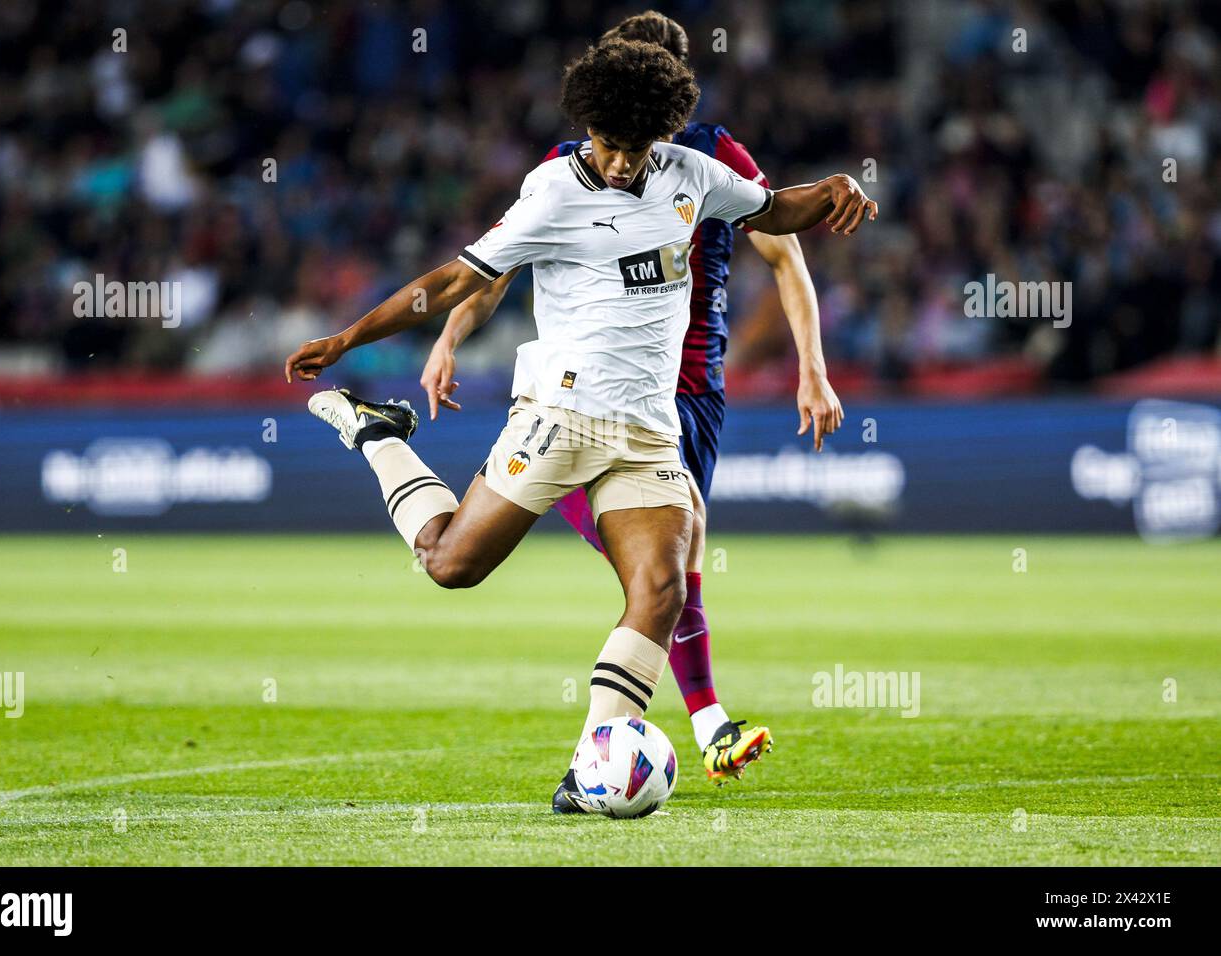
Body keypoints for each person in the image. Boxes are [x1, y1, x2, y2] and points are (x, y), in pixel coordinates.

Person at [284, 38, 877, 813]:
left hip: (647, 432)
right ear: (588, 126)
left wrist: (831, 188)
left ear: (662, 131)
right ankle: (377, 433)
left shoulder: (692, 174)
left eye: (638, 147)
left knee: (661, 587)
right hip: (558, 418)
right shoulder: (551, 192)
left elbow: (775, 213)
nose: (625, 162)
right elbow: (452, 280)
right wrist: (347, 340)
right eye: (611, 144)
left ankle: (594, 762)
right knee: (449, 565)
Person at [418, 11, 844, 783]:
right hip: (585, 391)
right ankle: (693, 723)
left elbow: (785, 253)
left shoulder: (712, 156)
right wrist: (449, 334)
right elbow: (493, 267)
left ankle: (646, 738)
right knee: (662, 569)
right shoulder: (568, 164)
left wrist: (813, 366)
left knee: (669, 568)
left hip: (686, 390)